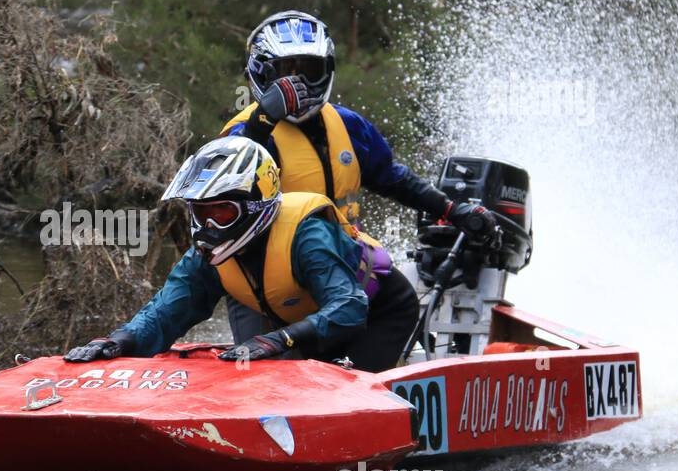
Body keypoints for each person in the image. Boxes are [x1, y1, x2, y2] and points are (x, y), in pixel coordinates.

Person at [221, 9, 499, 342]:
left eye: (308, 71)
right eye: (285, 73)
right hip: (262, 280)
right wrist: (263, 122)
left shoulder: (348, 125)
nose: (297, 85)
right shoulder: (242, 132)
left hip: (337, 269)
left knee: (400, 305)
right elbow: (228, 187)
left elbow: (392, 178)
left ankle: (370, 380)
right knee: (259, 370)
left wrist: (452, 211)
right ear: (261, 74)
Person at [63, 137, 419, 372]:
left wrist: (279, 339)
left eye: (221, 213)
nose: (208, 226)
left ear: (256, 205)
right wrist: (117, 341)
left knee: (341, 380)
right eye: (200, 214)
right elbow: (166, 311)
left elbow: (348, 308)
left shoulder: (308, 235)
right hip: (303, 323)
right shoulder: (210, 251)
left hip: (378, 314)